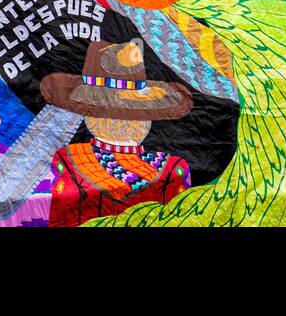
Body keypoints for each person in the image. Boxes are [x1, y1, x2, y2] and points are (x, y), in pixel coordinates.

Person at [39, 39, 192, 226]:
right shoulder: (173, 170)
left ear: (90, 113)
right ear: (145, 117)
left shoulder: (69, 160)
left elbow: (60, 218)